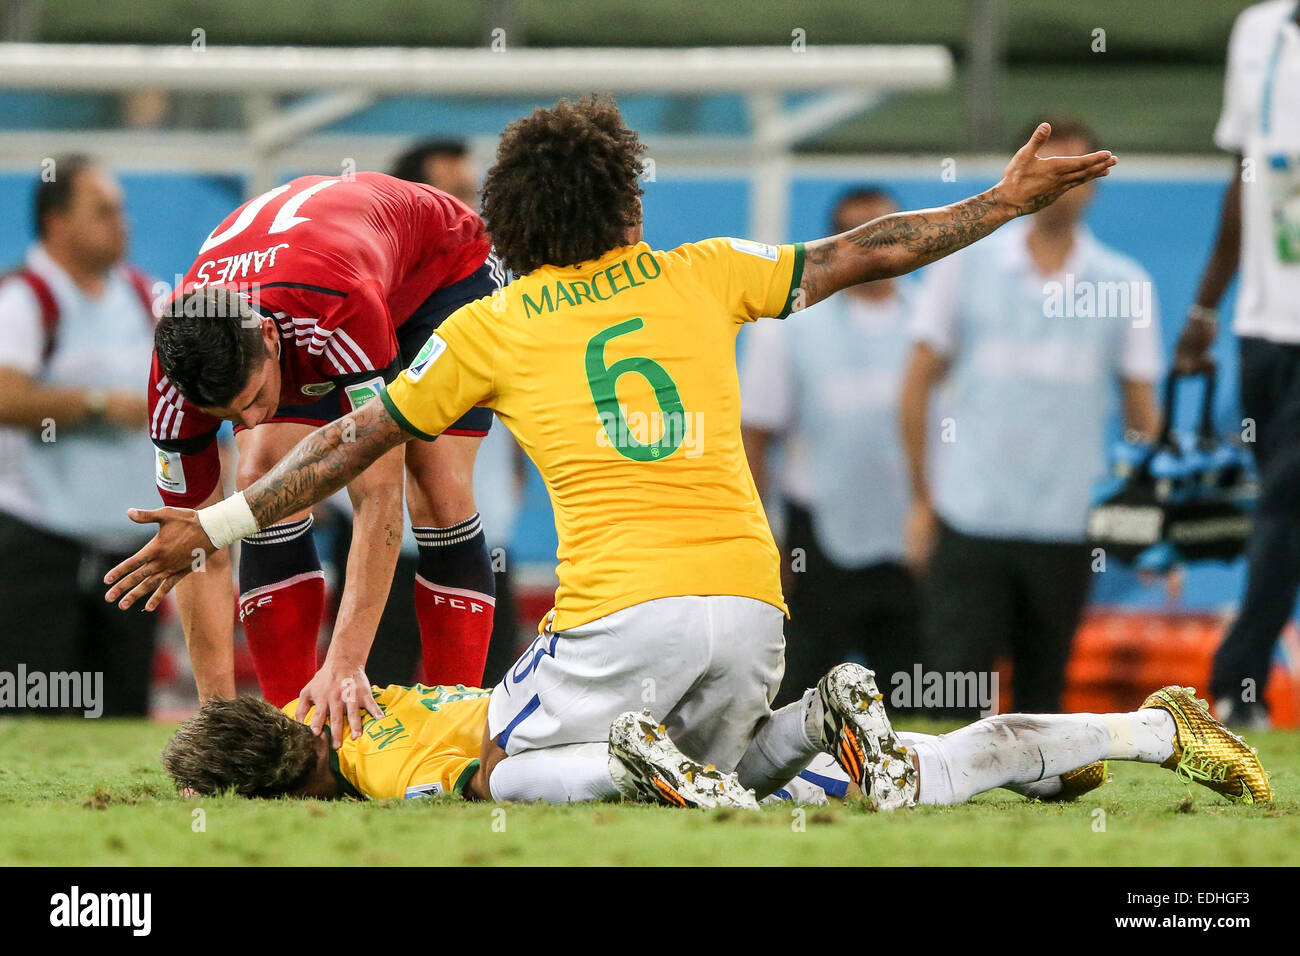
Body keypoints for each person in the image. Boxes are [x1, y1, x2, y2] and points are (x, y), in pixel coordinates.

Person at [105, 96, 1120, 809]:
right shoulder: (709, 269)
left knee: (491, 761)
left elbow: (346, 457)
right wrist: (999, 201)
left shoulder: (487, 329)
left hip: (618, 619)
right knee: (756, 766)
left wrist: (231, 531)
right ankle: (869, 724)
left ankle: (598, 740)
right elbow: (875, 249)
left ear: (508, 226)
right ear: (628, 208)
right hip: (757, 614)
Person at [145, 172, 502, 738]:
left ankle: (456, 730)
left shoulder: (336, 311)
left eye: (256, 398)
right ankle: (294, 738)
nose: (254, 420)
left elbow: (377, 497)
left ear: (267, 338)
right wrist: (217, 719)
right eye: (229, 417)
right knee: (259, 473)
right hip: (323, 278)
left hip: (441, 275)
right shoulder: (172, 379)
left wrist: (345, 663)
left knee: (435, 484)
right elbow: (198, 549)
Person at [901, 119, 1162, 718]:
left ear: (1097, 180)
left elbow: (1142, 414)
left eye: (1078, 170)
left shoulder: (1124, 284)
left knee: (1046, 707)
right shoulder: (964, 264)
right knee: (950, 700)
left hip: (1068, 525)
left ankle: (1038, 814)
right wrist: (921, 500)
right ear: (1022, 173)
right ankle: (941, 811)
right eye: (1051, 168)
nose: (1063, 184)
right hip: (970, 518)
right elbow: (916, 383)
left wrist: (1151, 520)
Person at [160, 675, 1270, 809]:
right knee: (927, 754)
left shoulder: (375, 770)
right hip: (650, 688)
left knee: (927, 774)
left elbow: (487, 775)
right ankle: (1085, 752)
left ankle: (1148, 726)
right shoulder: (371, 701)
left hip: (618, 736)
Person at [741, 186, 920, 707]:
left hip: (913, 537)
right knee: (799, 691)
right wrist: (766, 539)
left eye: (888, 232)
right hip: (816, 540)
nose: (876, 248)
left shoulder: (933, 320)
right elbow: (755, 435)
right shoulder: (790, 324)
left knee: (917, 696)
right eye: (860, 236)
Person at [1173, 0, 1300, 730]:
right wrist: (1204, 309)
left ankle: (1236, 679)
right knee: (1280, 508)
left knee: (1286, 501)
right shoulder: (1258, 32)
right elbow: (1242, 176)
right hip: (1263, 326)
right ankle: (1242, 681)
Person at [0, 156, 157, 715]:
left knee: (122, 718)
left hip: (130, 552)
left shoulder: (141, 297)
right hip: (39, 545)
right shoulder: (24, 300)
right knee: (30, 716)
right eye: (105, 211)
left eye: (122, 211)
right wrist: (95, 405)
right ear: (57, 223)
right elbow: (5, 397)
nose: (123, 223)